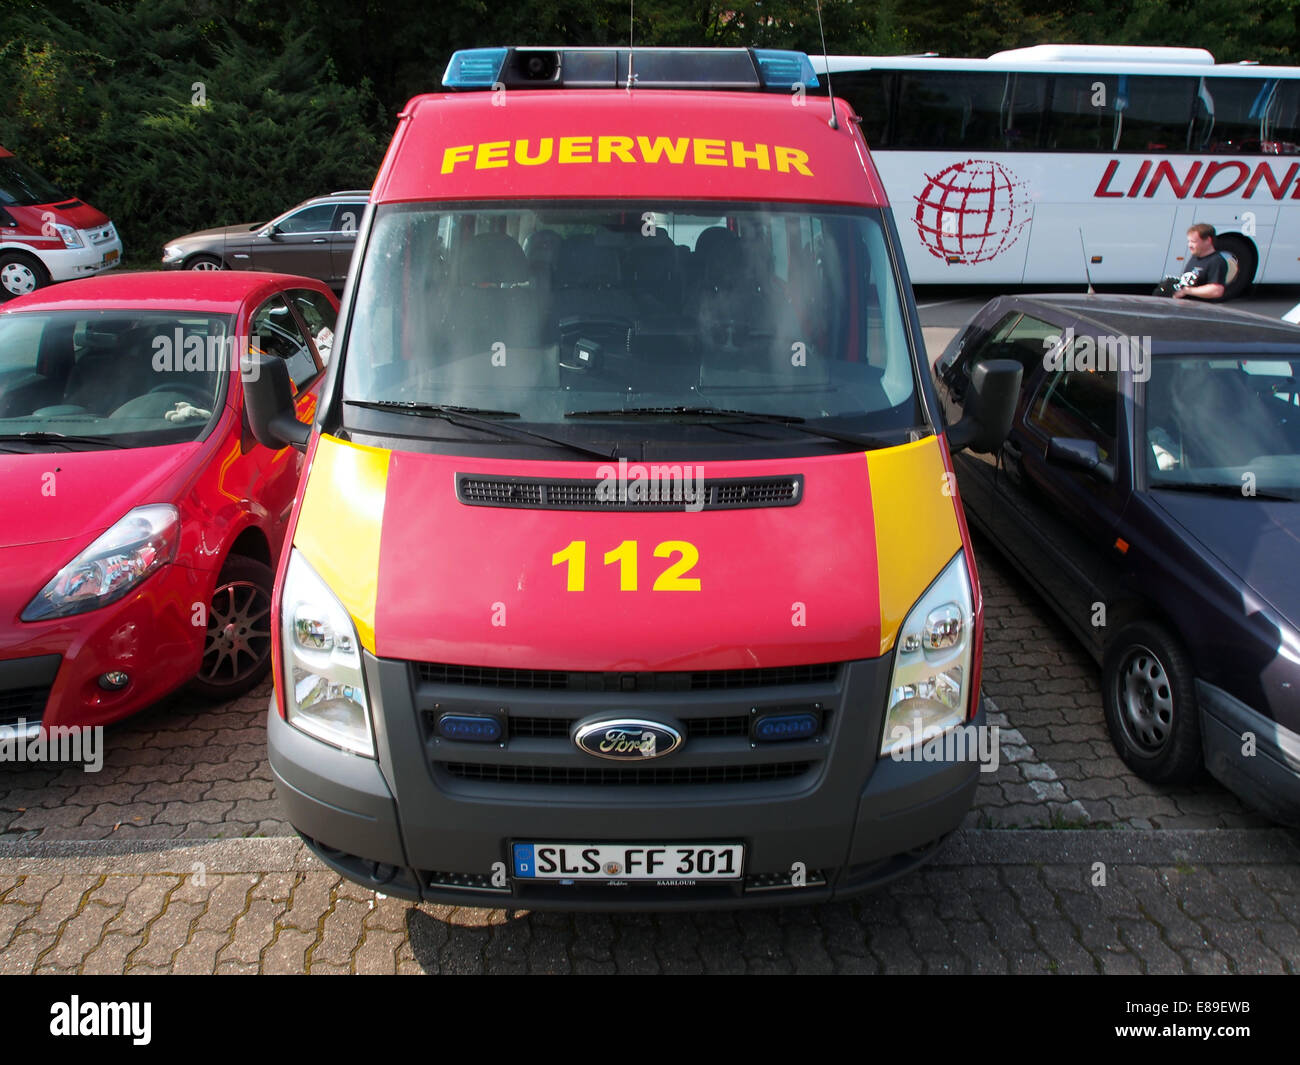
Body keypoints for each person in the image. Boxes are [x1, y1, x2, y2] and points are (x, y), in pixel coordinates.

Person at [1153, 224, 1227, 300]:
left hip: (1201, 309)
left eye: (1193, 242)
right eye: (1189, 241)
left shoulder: (1216, 261)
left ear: (1208, 240)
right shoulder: (1195, 257)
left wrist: (1187, 291)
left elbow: (1217, 290)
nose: (1189, 245)